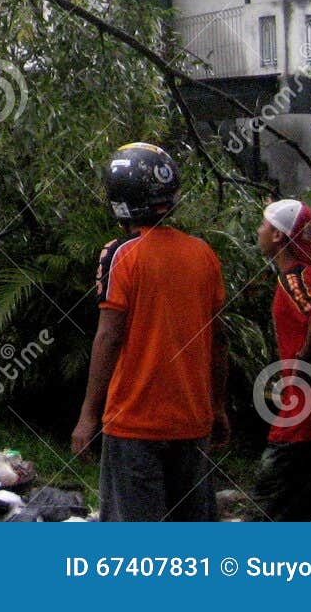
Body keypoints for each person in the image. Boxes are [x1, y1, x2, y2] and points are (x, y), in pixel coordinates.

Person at [71, 142, 228, 521]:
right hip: (191, 424)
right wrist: (217, 404)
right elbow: (219, 338)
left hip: (134, 426)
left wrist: (88, 416)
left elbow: (109, 337)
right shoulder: (203, 253)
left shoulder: (121, 254)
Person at [250, 198, 311, 520]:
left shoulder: (293, 280)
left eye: (264, 224)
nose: (258, 230)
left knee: (267, 520)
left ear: (277, 236)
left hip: (303, 425)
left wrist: (302, 361)